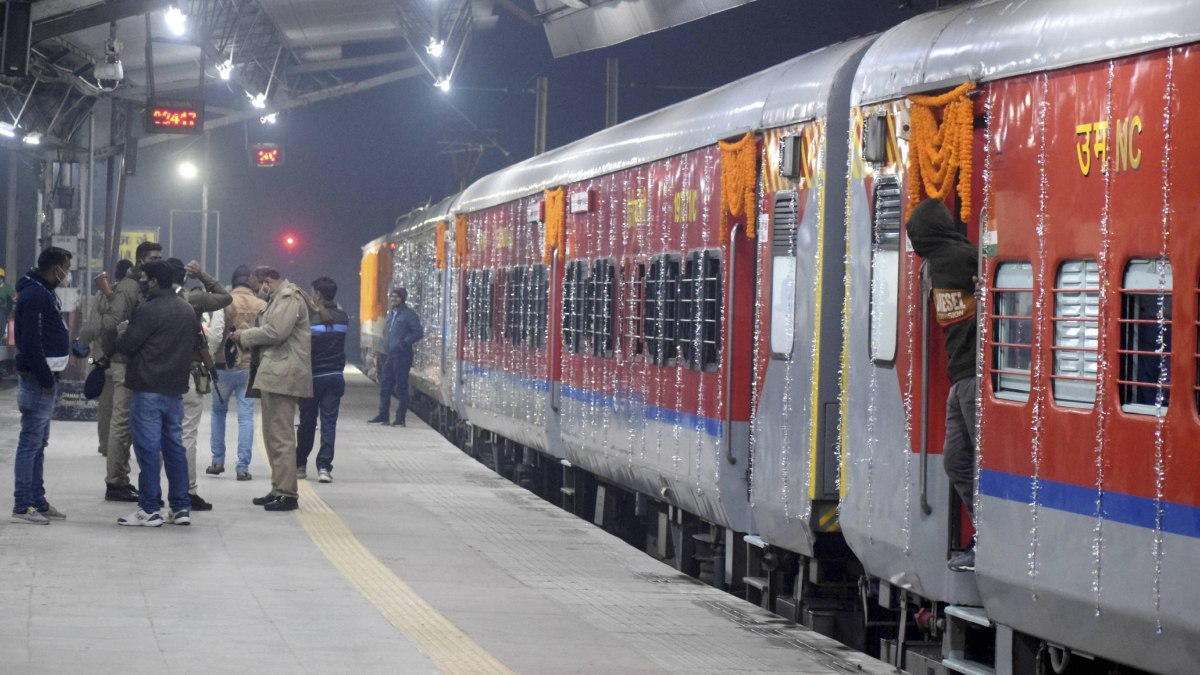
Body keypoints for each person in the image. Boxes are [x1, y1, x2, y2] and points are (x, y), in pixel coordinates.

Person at [905, 198, 979, 572]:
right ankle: (985, 534)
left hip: (974, 377)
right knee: (956, 460)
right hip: (959, 378)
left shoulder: (960, 259)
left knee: (973, 459)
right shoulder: (938, 262)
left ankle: (988, 540)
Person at [115, 260, 200, 527]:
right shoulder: (187, 310)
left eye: (145, 278)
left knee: (148, 449)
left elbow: (128, 346)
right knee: (175, 447)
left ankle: (149, 508)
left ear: (153, 282)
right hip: (175, 390)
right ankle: (181, 507)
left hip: (148, 388)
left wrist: (121, 332)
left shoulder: (147, 310)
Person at [230, 266, 313, 512]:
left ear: (268, 281)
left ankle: (288, 493)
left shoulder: (289, 297)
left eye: (258, 287)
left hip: (284, 374)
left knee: (281, 435)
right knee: (271, 435)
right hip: (275, 373)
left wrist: (244, 336)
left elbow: (276, 331)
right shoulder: (277, 298)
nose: (258, 292)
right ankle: (278, 488)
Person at [10, 247, 73, 525]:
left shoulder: (43, 291)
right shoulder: (35, 294)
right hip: (38, 381)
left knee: (39, 444)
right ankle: (23, 506)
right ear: (55, 267)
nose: (67, 274)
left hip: (45, 378)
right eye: (66, 268)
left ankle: (38, 501)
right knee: (30, 444)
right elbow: (32, 341)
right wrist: (46, 378)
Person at [100, 242, 164, 503]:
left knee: (130, 423)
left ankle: (122, 480)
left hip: (136, 362)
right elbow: (111, 325)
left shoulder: (147, 285)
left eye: (160, 257)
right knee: (122, 423)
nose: (158, 260)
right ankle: (116, 482)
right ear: (139, 260)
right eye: (152, 257)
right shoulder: (129, 288)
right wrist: (112, 355)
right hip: (124, 362)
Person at [168, 257, 229, 511]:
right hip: (189, 376)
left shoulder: (148, 301)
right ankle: (187, 492)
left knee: (156, 437)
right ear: (183, 277)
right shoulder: (192, 299)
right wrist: (202, 275)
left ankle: (150, 493)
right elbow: (225, 297)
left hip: (158, 378)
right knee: (187, 436)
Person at [207, 265, 266, 481]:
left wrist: (211, 358)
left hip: (223, 366)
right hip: (249, 368)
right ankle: (242, 467)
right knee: (246, 417)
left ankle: (217, 461)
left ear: (233, 282)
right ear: (250, 281)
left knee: (217, 412)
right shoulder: (262, 305)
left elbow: (214, 333)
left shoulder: (224, 303)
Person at [297, 276, 348, 483]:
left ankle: (300, 465)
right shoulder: (343, 317)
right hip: (335, 377)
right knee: (329, 423)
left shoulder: (309, 319)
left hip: (312, 377)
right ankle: (324, 467)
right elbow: (333, 313)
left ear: (317, 294)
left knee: (307, 423)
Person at [369, 286, 424, 427]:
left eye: (397, 297)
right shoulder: (391, 314)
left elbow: (418, 332)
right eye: (392, 296)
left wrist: (404, 343)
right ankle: (383, 415)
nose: (393, 299)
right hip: (390, 355)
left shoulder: (409, 315)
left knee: (401, 388)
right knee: (385, 386)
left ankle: (400, 419)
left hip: (402, 355)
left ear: (403, 299)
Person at [0, 266, 14, 343]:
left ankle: (1, 336)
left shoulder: (6, 287)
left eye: (1, 277)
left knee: (1, 322)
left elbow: (12, 298)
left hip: (1, 309)